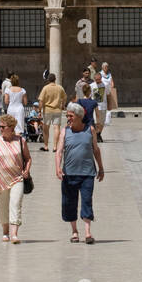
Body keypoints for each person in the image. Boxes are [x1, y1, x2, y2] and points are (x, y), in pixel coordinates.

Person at [56, 101, 104, 243]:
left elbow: (96, 150)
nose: (68, 118)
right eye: (67, 115)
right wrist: (57, 167)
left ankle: (88, 233)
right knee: (69, 202)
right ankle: (74, 231)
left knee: (87, 201)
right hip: (69, 173)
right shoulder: (65, 131)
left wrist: (101, 168)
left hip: (88, 173)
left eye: (70, 115)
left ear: (79, 116)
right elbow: (59, 151)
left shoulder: (90, 130)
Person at [0, 112, 31, 244]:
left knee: (15, 204)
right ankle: (5, 231)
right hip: (0, 180)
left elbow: (28, 158)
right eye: (0, 127)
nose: (1, 129)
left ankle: (14, 234)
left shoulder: (20, 141)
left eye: (3, 127)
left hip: (17, 178)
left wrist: (27, 170)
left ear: (11, 128)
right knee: (2, 207)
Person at [38, 73, 67, 152]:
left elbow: (41, 100)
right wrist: (62, 106)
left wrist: (39, 110)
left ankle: (46, 146)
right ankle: (55, 147)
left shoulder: (45, 88)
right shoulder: (60, 88)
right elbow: (65, 98)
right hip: (57, 110)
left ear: (48, 80)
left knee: (45, 128)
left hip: (47, 110)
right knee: (56, 128)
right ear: (55, 79)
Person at [91, 70, 107, 141]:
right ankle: (97, 136)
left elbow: (109, 95)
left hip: (103, 106)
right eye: (96, 79)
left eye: (99, 79)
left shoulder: (105, 85)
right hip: (95, 107)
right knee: (96, 122)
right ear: (94, 79)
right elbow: (89, 96)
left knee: (102, 122)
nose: (98, 81)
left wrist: (110, 105)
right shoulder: (91, 86)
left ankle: (98, 134)